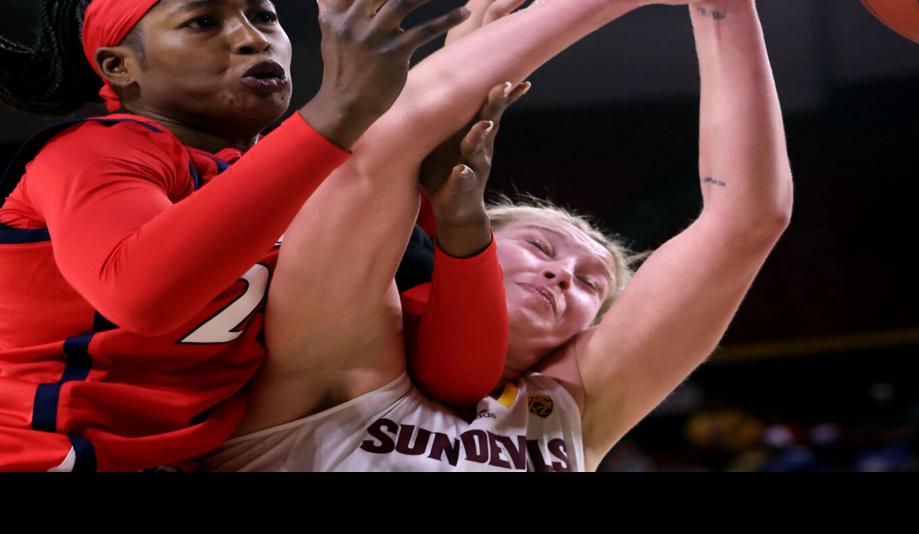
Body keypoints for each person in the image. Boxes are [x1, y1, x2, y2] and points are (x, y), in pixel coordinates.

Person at [205, 0, 792, 471]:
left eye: (591, 284)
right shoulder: (342, 353)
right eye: (539, 247)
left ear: (589, 330)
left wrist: (729, 8)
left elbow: (747, 220)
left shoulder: (577, 405)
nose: (561, 273)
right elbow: (375, 156)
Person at [0, 0, 475, 471]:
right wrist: (338, 109)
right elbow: (142, 297)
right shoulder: (93, 151)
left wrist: (460, 226)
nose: (252, 38)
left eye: (264, 16)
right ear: (119, 67)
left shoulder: (317, 185)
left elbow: (456, 375)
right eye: (203, 22)